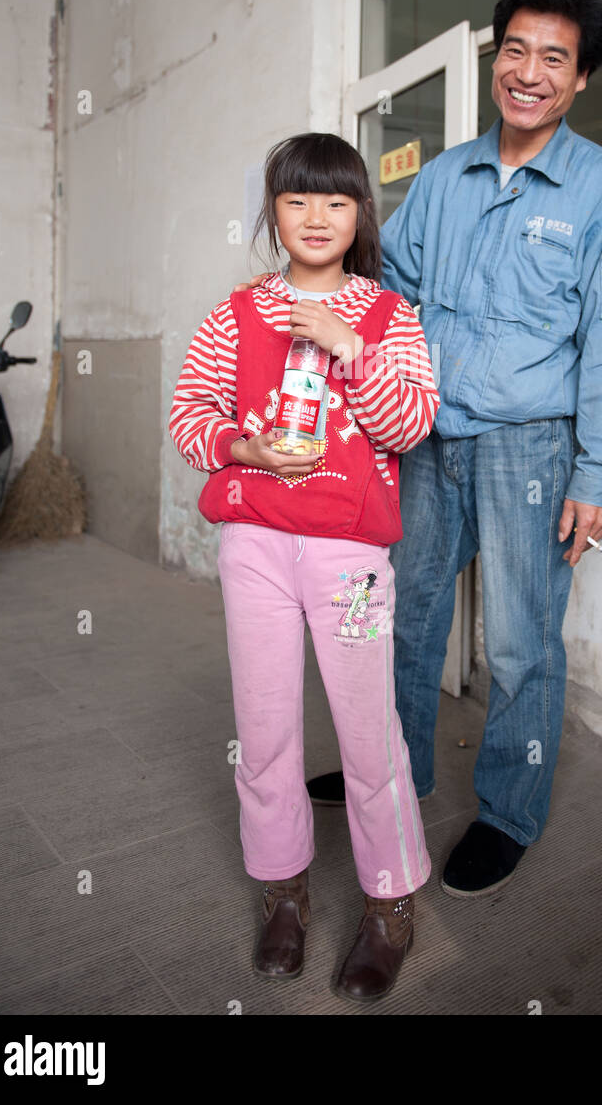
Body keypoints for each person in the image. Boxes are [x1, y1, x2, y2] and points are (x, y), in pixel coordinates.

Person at [237, 0, 602, 901]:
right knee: (398, 621)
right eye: (515, 50)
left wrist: (600, 472)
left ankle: (508, 812)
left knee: (518, 641)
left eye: (556, 57)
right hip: (423, 441)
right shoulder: (442, 180)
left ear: (580, 77)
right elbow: (388, 307)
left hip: (531, 449)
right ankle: (390, 770)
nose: (530, 72)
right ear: (493, 58)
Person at [168, 132, 439, 1001]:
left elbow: (411, 427)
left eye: (335, 201)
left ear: (360, 212)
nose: (316, 217)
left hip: (352, 563)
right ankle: (284, 893)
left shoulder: (390, 316)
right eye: (297, 201)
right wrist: (241, 445)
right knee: (266, 729)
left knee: (368, 732)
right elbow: (189, 416)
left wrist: (348, 348)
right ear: (274, 213)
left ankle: (390, 903)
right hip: (255, 552)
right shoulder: (234, 314)